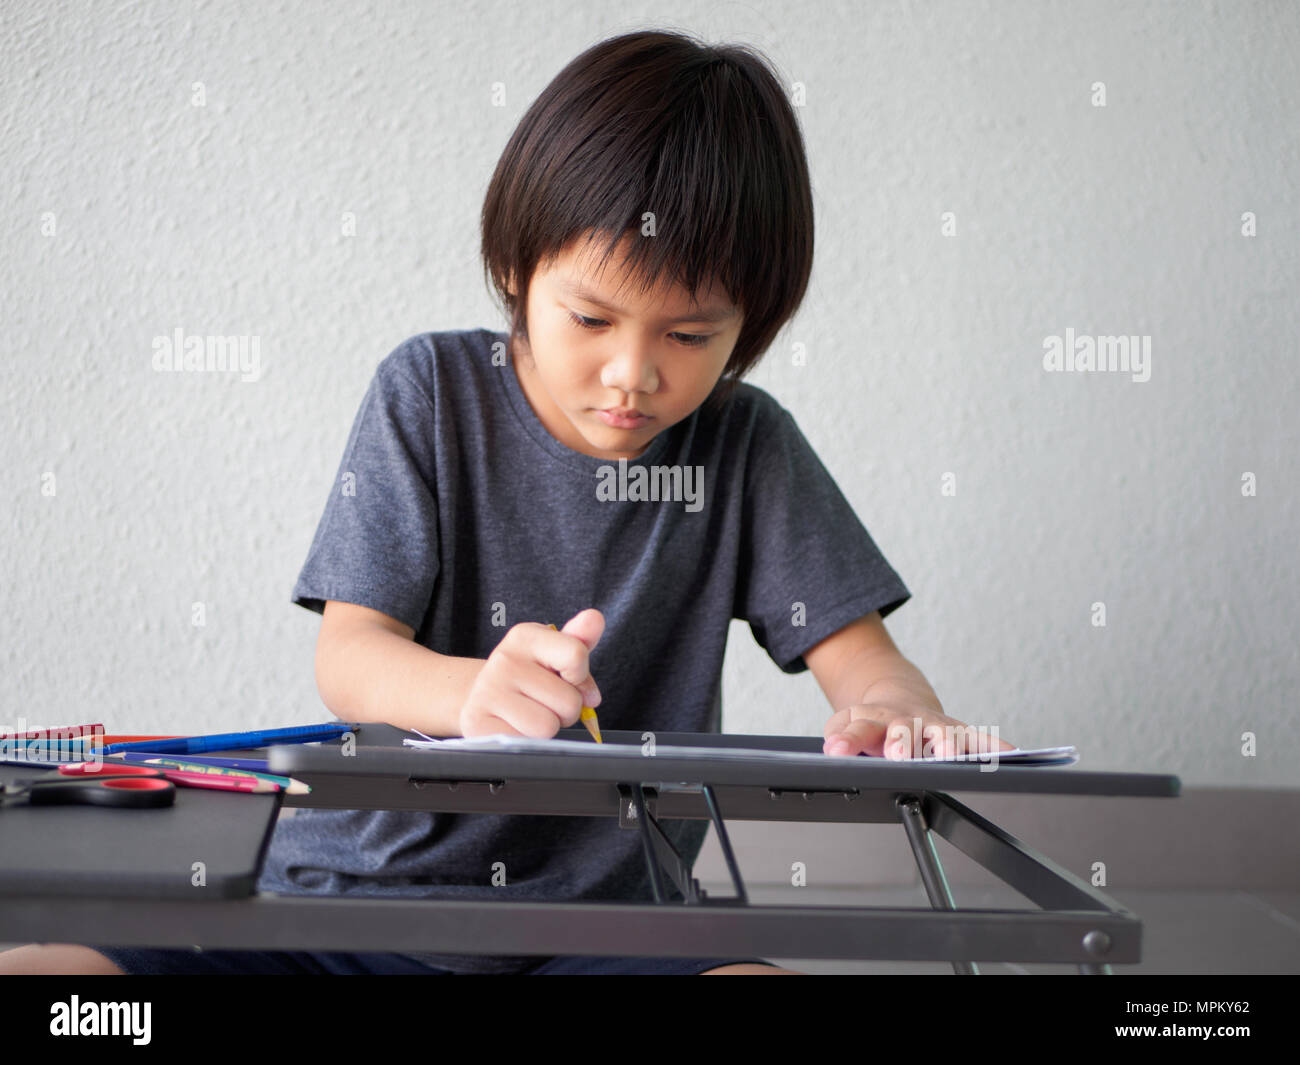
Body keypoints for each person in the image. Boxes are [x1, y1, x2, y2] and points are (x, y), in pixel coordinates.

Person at [0, 28, 1011, 977]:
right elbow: (349, 658)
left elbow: (863, 662)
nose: (631, 374)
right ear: (515, 271)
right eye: (590, 316)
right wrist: (469, 694)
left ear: (751, 326)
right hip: (348, 903)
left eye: (689, 337)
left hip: (609, 928)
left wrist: (890, 707)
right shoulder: (429, 391)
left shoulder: (746, 445)